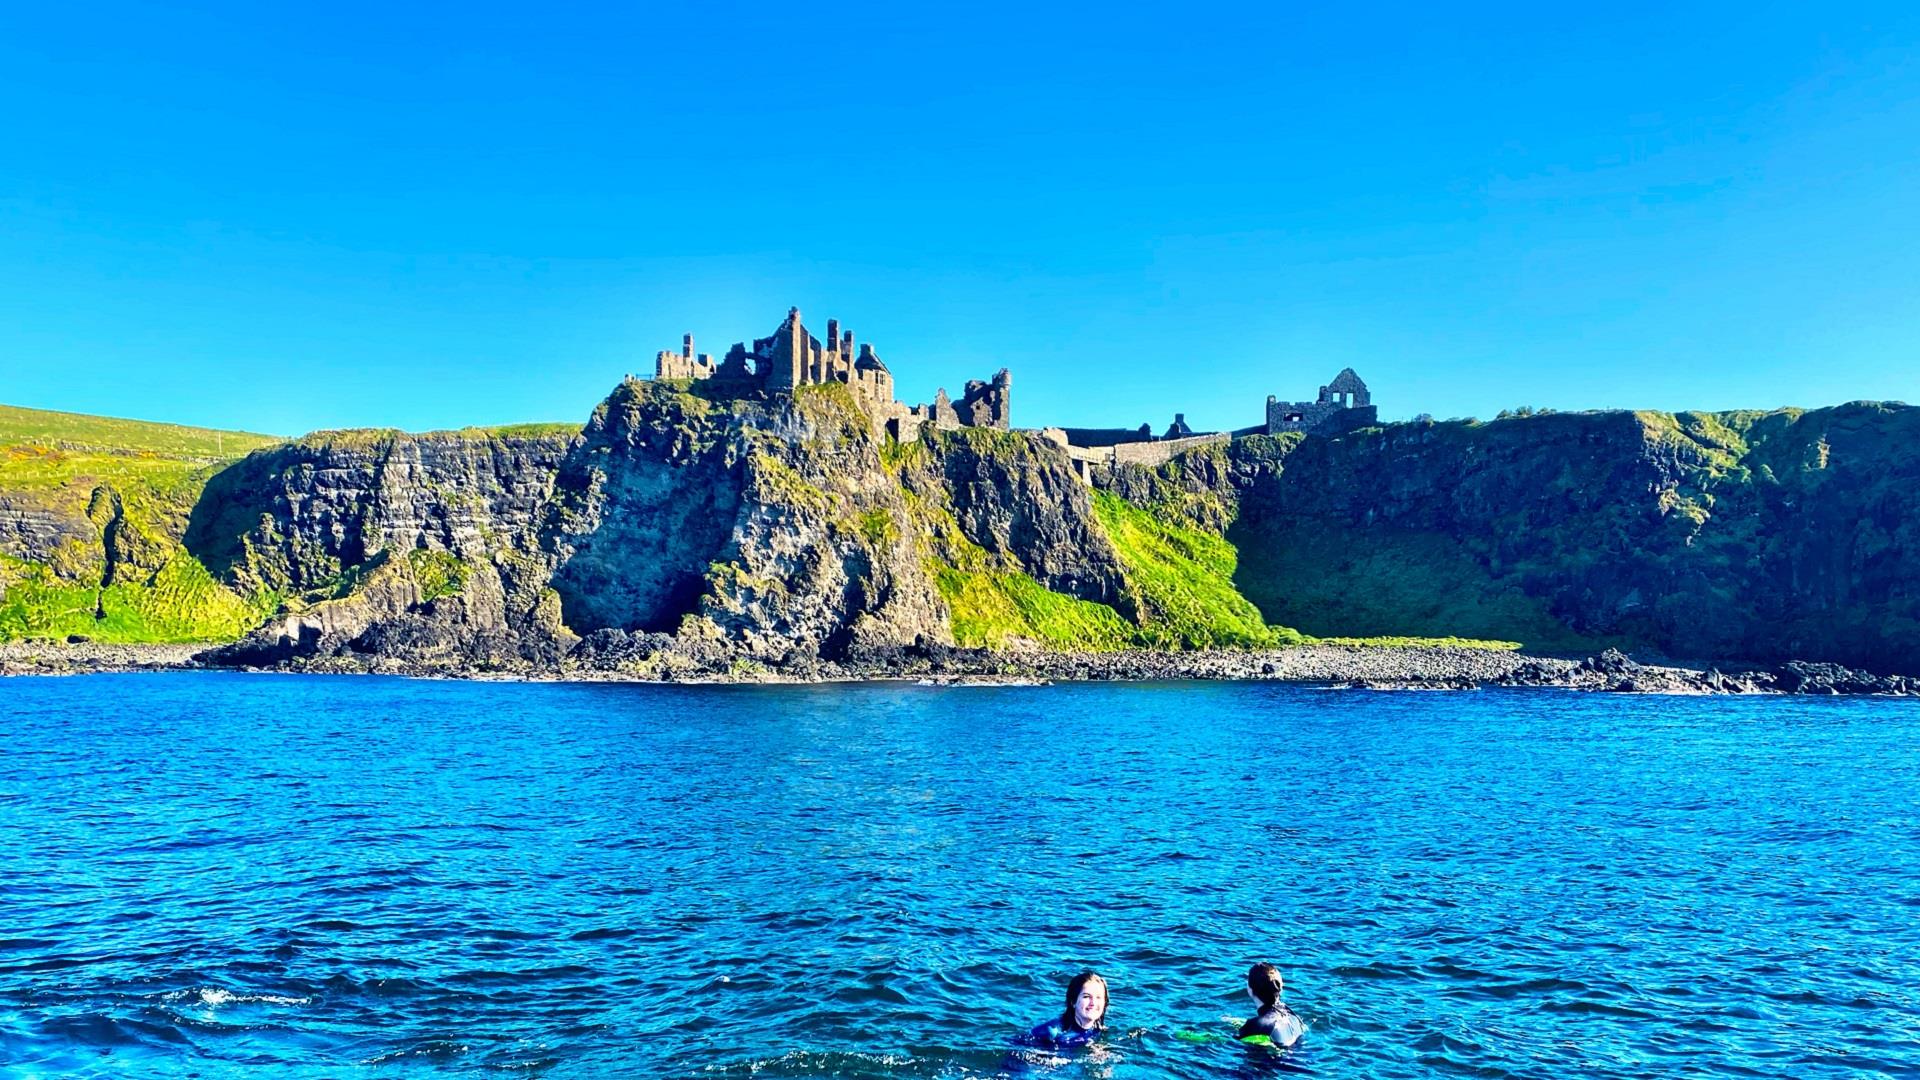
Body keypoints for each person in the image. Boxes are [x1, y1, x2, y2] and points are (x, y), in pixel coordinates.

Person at [1021, 970, 1109, 1049]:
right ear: (1073, 1002)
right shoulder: (1053, 1032)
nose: (1093, 1003)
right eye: (1086, 997)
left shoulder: (1098, 1028)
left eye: (1098, 997)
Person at [1238, 963, 1303, 1047]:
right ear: (1280, 988)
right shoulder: (1293, 1016)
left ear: (1250, 990)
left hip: (1277, 1054)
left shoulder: (1254, 1026)